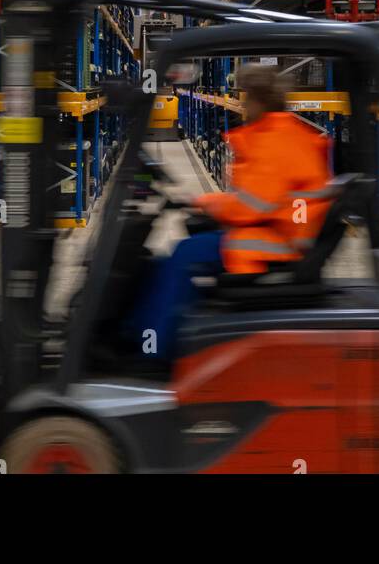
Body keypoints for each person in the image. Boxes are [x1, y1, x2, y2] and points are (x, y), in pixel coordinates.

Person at [126, 64, 333, 361]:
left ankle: (152, 352)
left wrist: (206, 202)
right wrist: (206, 202)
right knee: (176, 253)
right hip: (277, 231)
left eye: (246, 98)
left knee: (184, 254)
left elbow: (251, 206)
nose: (243, 104)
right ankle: (152, 329)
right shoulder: (280, 133)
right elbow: (260, 199)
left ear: (260, 101)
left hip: (276, 243)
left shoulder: (276, 142)